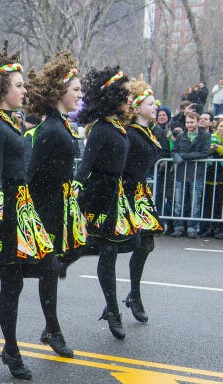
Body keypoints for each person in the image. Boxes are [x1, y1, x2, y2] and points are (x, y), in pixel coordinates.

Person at [0, 44, 57, 379]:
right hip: (8, 209)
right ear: (3, 90)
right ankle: (11, 349)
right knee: (12, 282)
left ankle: (20, 343)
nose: (24, 90)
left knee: (47, 264)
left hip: (23, 206)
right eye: (18, 85)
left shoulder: (9, 122)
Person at [24, 50, 86, 355]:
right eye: (76, 89)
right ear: (60, 92)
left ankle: (50, 329)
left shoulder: (61, 125)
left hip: (59, 206)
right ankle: (52, 330)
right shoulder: (49, 129)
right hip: (43, 208)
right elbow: (31, 173)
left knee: (53, 265)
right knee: (45, 268)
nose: (80, 94)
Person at [72, 66, 136, 339]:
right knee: (107, 253)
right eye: (127, 95)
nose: (130, 99)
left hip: (114, 193)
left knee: (126, 244)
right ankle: (113, 310)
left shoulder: (118, 126)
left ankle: (110, 305)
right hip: (98, 195)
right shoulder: (100, 129)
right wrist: (74, 191)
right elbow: (85, 166)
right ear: (114, 97)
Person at [122, 78, 163, 323]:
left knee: (146, 244)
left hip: (140, 192)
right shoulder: (129, 134)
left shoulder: (149, 132)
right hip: (126, 192)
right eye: (150, 103)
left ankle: (134, 294)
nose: (155, 106)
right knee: (112, 245)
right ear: (136, 108)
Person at [171, 110, 210, 238]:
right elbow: (174, 151)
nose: (189, 125)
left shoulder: (205, 135)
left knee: (195, 203)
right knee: (178, 203)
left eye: (192, 122)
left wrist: (184, 156)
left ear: (198, 122)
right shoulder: (181, 136)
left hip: (196, 173)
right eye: (187, 122)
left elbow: (205, 153)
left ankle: (192, 228)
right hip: (181, 173)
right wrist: (177, 156)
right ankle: (178, 227)